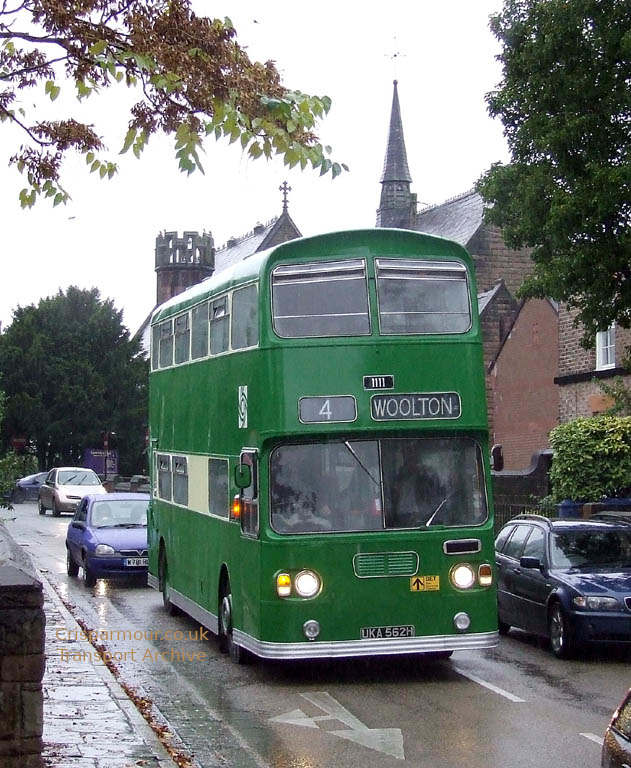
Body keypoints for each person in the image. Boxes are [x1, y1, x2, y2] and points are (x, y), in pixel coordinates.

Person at [389, 448, 444, 528]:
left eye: (412, 458)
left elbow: (435, 495)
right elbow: (394, 495)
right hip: (403, 515)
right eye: (407, 457)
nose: (411, 462)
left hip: (425, 514)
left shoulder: (426, 475)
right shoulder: (400, 476)